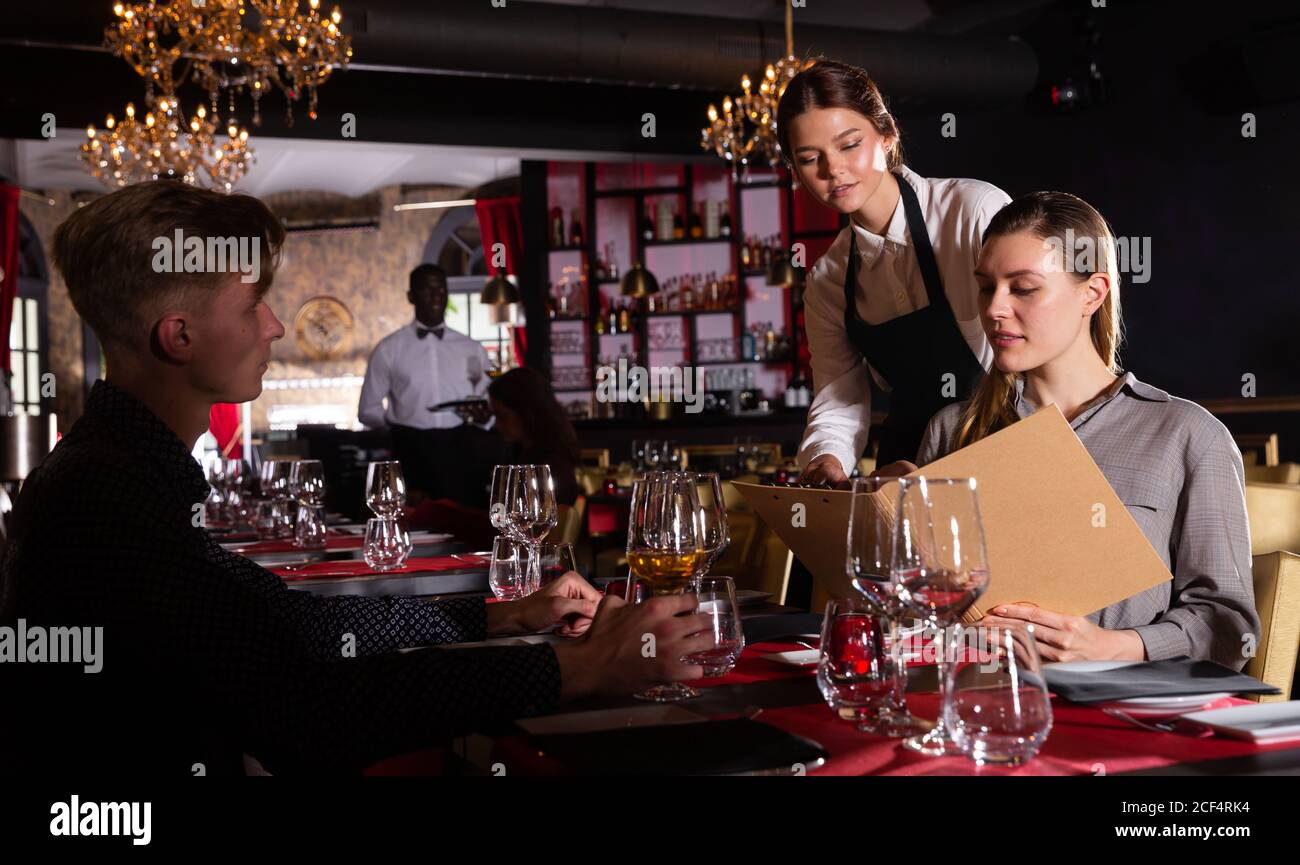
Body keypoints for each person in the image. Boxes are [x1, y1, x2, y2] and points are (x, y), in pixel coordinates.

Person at [0, 181, 715, 776]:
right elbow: (311, 711)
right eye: (253, 305)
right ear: (179, 336)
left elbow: (298, 625)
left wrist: (506, 614)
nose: (276, 325)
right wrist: (578, 668)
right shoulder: (107, 497)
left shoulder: (117, 467)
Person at [912, 191, 1258, 669]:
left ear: (1092, 293)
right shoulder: (951, 430)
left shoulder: (1188, 436)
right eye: (986, 286)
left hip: (1119, 715)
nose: (993, 308)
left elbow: (1231, 628)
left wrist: (1115, 646)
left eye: (1024, 288)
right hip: (974, 701)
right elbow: (917, 617)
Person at [777, 59, 1012, 484]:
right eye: (811, 158)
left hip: (1005, 448)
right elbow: (839, 398)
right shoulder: (828, 280)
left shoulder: (973, 212)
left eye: (849, 145)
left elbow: (1042, 352)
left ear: (886, 134)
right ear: (795, 170)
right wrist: (825, 462)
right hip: (903, 469)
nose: (834, 170)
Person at [358, 263, 496, 505]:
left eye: (441, 290)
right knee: (414, 524)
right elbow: (367, 409)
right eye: (427, 290)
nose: (436, 296)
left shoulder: (471, 348)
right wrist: (398, 427)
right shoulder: (389, 349)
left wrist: (485, 418)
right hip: (412, 451)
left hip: (462, 450)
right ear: (411, 296)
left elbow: (489, 401)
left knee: (465, 524)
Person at [487, 367, 581, 507]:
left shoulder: (551, 466)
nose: (496, 425)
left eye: (502, 417)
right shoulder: (518, 452)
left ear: (527, 414)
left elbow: (536, 524)